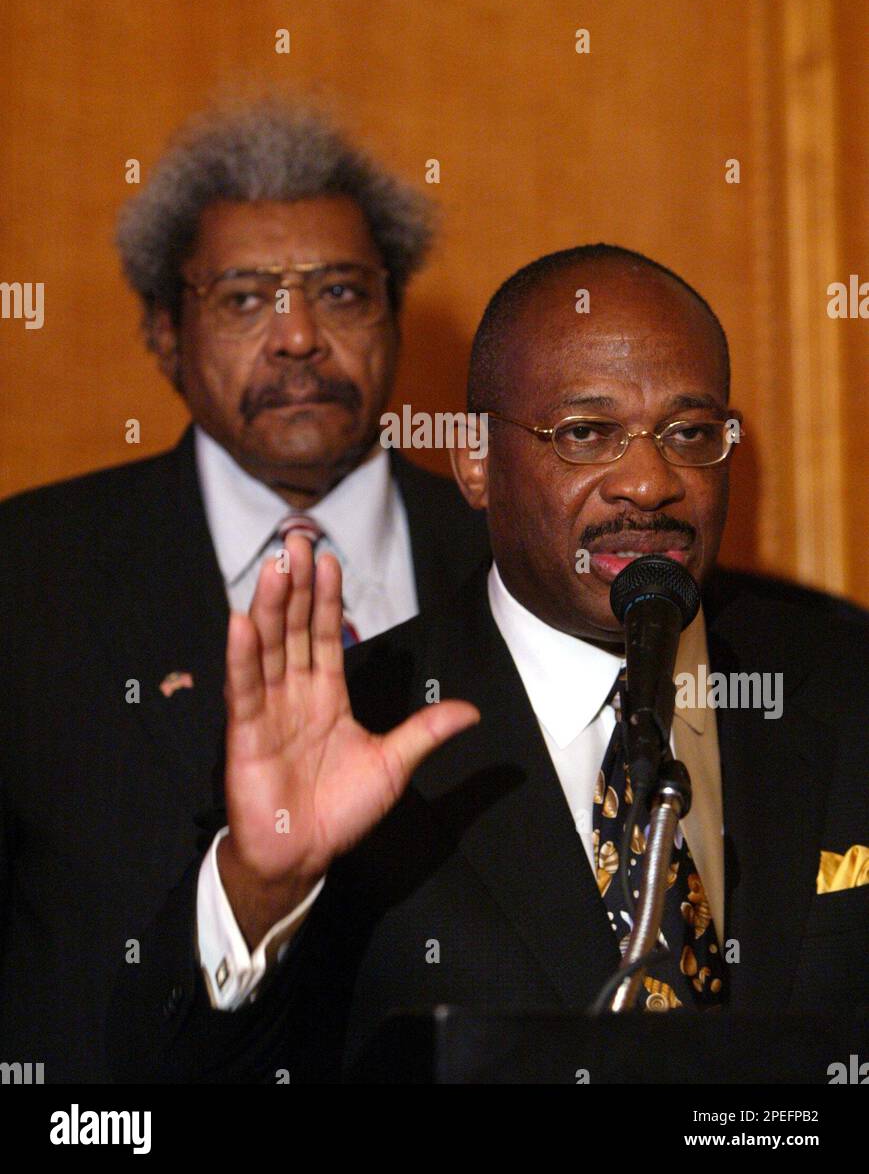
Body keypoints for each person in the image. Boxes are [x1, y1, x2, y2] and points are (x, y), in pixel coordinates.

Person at [106, 242, 869, 1084]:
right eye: (586, 434)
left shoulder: (842, 681)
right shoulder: (358, 726)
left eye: (688, 432)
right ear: (474, 462)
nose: (649, 482)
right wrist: (259, 889)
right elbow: (165, 1076)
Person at [0, 99, 487, 1082]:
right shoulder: (26, 579)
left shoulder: (506, 561)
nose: (299, 335)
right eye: (242, 297)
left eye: (342, 292)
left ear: (392, 316)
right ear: (164, 334)